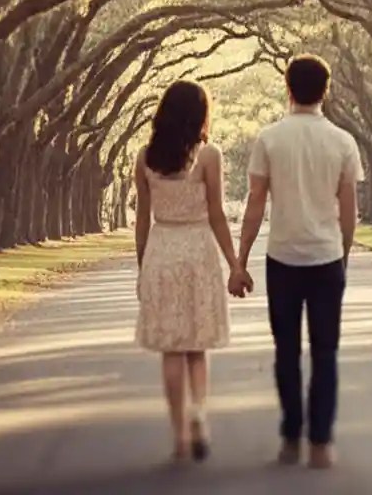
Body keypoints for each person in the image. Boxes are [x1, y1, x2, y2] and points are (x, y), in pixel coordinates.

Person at [236, 54, 363, 469]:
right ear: (326, 91)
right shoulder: (343, 142)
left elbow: (255, 203)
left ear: (288, 88)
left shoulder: (270, 139)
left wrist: (241, 260)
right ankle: (321, 444)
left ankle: (292, 437)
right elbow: (349, 210)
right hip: (326, 258)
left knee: (286, 350)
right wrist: (342, 254)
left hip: (283, 259)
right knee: (326, 352)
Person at [134, 80, 252, 463]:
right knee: (196, 345)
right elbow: (217, 213)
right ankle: (200, 411)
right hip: (199, 249)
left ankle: (180, 436)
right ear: (200, 115)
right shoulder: (208, 156)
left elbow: (141, 220)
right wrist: (234, 262)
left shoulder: (144, 157)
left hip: (162, 248)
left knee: (171, 347)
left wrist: (142, 267)